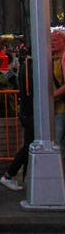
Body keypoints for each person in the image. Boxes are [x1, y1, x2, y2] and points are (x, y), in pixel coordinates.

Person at [0, 50, 33, 191]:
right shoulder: (31, 67)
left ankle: (15, 175)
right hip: (32, 112)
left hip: (28, 112)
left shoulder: (27, 65)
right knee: (29, 145)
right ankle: (9, 174)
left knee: (29, 144)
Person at [51, 28, 65, 158]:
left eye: (55, 40)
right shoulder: (52, 59)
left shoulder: (63, 58)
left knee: (57, 144)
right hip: (56, 109)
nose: (52, 43)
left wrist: (50, 97)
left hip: (61, 109)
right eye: (51, 40)